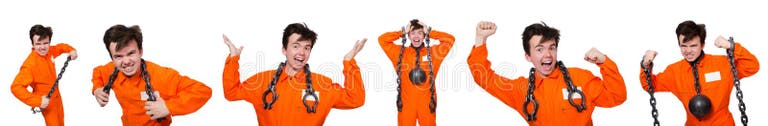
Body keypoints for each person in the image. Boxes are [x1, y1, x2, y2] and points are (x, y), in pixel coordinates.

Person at [467, 21, 627, 125]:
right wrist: (480, 40)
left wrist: (604, 62)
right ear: (528, 56)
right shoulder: (521, 90)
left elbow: (617, 96)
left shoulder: (581, 79)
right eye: (539, 49)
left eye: (552, 47)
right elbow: (484, 78)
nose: (547, 55)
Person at [221, 23, 367, 125]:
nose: (301, 53)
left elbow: (355, 99)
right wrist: (233, 59)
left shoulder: (323, 85)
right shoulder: (262, 81)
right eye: (296, 46)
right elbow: (231, 92)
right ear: (284, 50)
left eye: (307, 47)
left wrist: (349, 62)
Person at [639, 20, 759, 125]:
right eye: (683, 46)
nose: (688, 51)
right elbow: (649, 85)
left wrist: (731, 46)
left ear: (702, 45)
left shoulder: (723, 64)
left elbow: (752, 66)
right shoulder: (674, 71)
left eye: (693, 46)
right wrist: (645, 65)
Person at [90, 24, 212, 126]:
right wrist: (97, 89)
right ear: (112, 58)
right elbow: (98, 72)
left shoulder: (162, 76)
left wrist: (169, 107)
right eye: (119, 56)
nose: (126, 61)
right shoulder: (112, 70)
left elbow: (202, 91)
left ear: (140, 51)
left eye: (131, 53)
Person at [377, 19, 455, 126]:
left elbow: (450, 40)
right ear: (408, 36)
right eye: (412, 33)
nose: (416, 36)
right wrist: (402, 32)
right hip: (407, 103)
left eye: (420, 33)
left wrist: (429, 32)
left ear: (424, 36)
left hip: (427, 102)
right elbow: (382, 40)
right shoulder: (400, 52)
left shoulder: (434, 53)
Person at [11, 24, 78, 126]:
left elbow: (60, 47)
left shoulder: (49, 51)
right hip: (47, 101)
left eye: (45, 43)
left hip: (58, 98)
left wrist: (71, 50)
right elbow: (16, 87)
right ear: (32, 44)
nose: (42, 47)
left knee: (61, 123)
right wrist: (38, 100)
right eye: (38, 44)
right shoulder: (30, 65)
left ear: (49, 42)